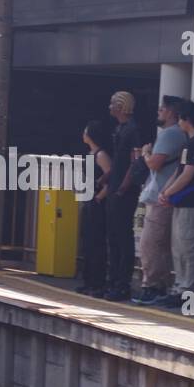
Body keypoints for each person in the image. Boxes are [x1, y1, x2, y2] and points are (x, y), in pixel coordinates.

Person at [133, 97, 187, 306]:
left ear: (172, 113)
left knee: (150, 243)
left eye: (162, 109)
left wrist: (146, 153)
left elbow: (155, 164)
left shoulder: (170, 134)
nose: (159, 112)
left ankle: (152, 285)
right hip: (166, 196)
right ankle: (160, 283)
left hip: (160, 197)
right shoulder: (178, 135)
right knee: (161, 244)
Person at [158, 102, 194, 310]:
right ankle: (180, 288)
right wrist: (166, 191)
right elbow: (179, 172)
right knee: (179, 248)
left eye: (180, 118)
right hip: (181, 202)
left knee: (190, 248)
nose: (178, 121)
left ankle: (188, 293)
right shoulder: (189, 143)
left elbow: (188, 175)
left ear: (187, 119)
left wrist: (167, 193)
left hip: (193, 204)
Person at [104, 91, 140, 302]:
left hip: (123, 192)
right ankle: (114, 279)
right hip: (115, 187)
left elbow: (133, 163)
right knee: (114, 236)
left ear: (120, 106)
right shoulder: (120, 129)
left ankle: (122, 283)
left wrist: (123, 187)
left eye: (112, 103)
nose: (109, 107)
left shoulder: (132, 131)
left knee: (122, 236)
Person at [77, 119, 113, 297]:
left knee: (96, 242)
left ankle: (97, 281)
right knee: (87, 241)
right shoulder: (90, 153)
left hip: (97, 200)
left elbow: (110, 177)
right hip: (88, 198)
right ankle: (88, 280)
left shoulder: (100, 155)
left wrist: (100, 196)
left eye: (85, 131)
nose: (83, 134)